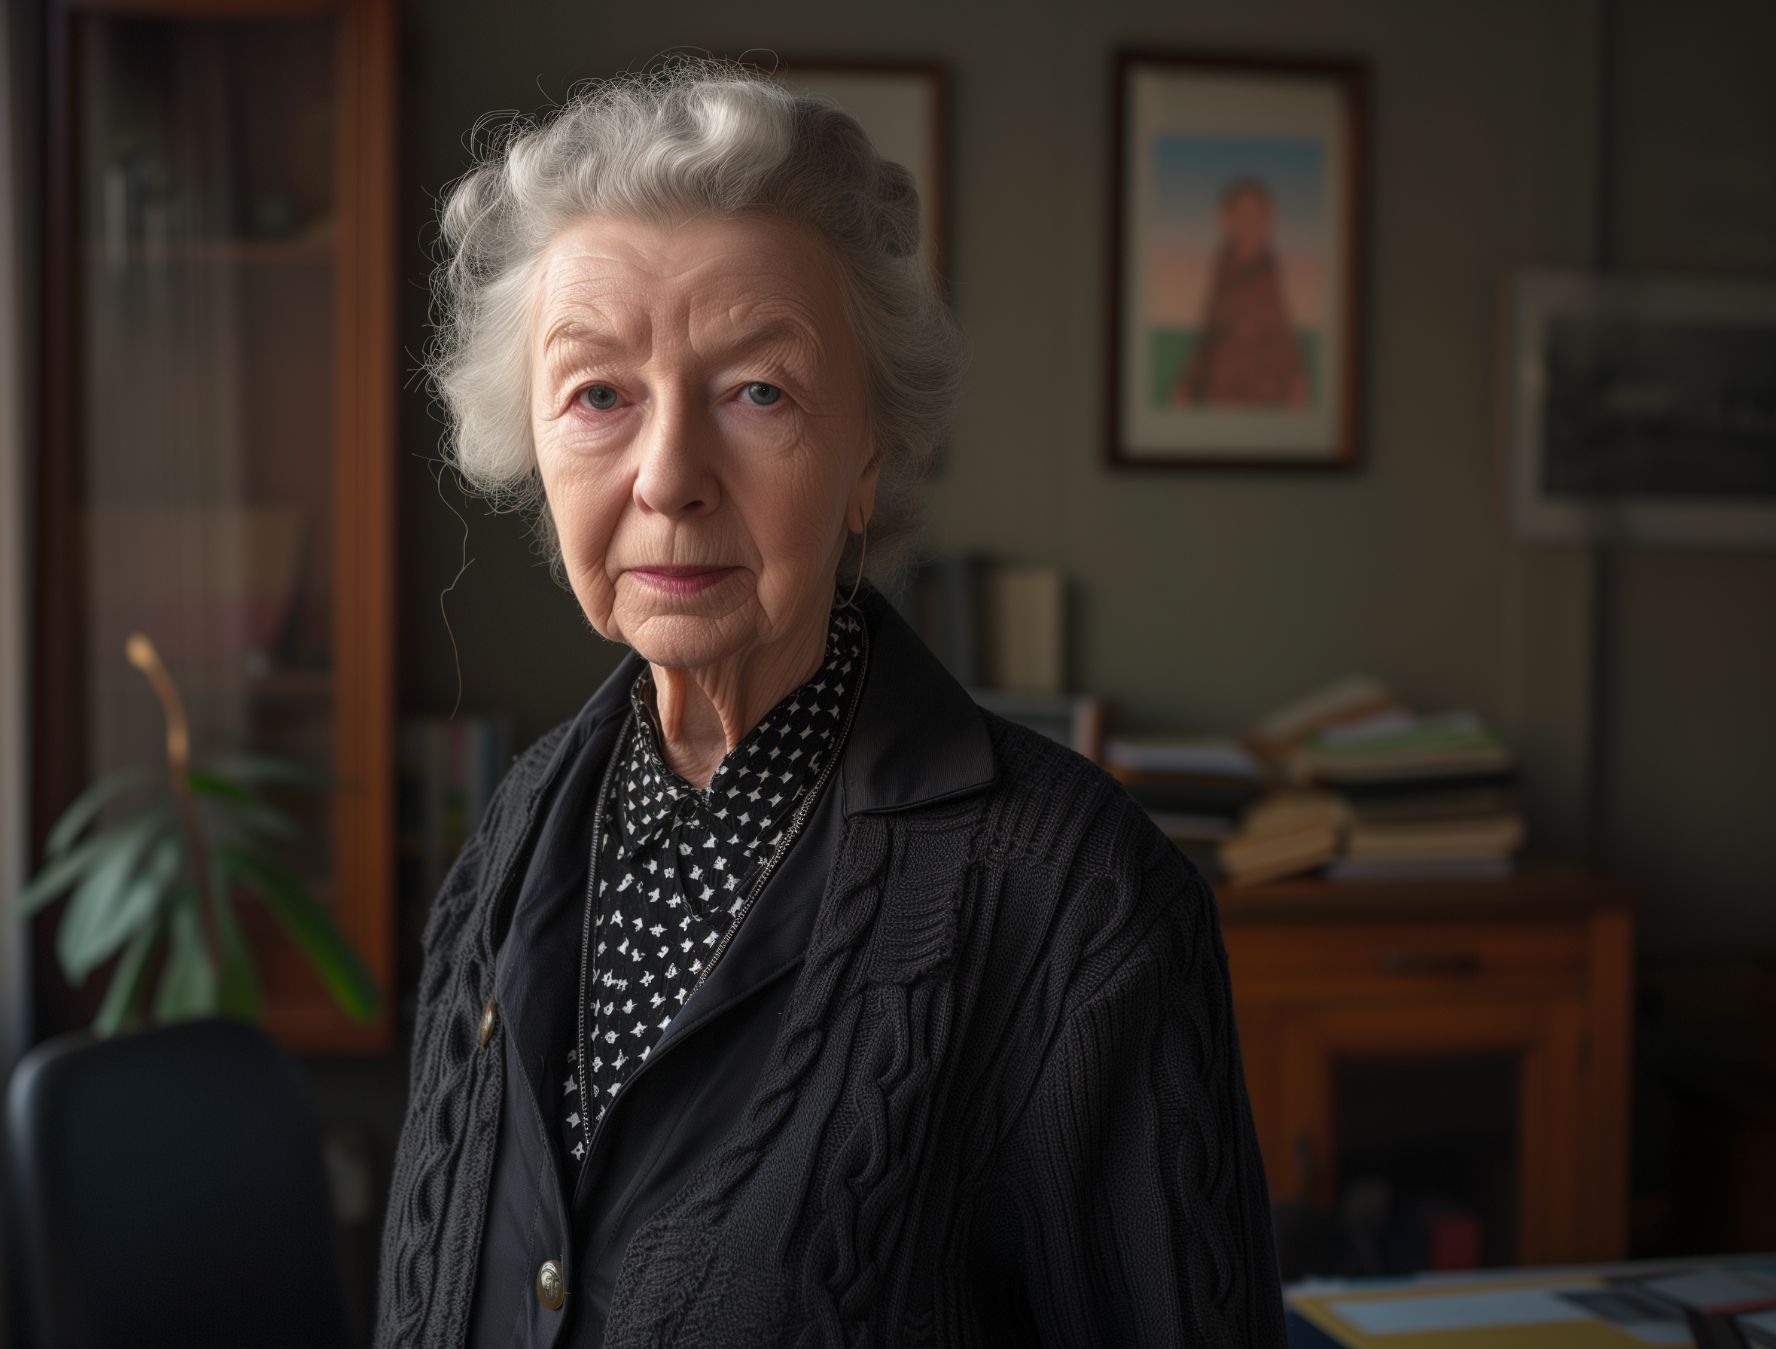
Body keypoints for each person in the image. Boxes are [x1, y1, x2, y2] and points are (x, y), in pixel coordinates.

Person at [374, 59, 1286, 1348]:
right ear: (530, 440)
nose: (670, 475)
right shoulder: (503, 850)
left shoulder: (1080, 910)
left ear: (867, 452)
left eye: (758, 390)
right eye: (598, 395)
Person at [1171, 176, 1310, 408]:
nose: (1249, 226)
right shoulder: (1224, 269)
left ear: (1269, 222)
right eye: (1241, 216)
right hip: (1220, 401)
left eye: (1257, 217)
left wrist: (1297, 389)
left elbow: (1283, 340)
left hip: (1262, 402)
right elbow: (1209, 334)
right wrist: (1186, 388)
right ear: (1226, 220)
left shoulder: (1269, 276)